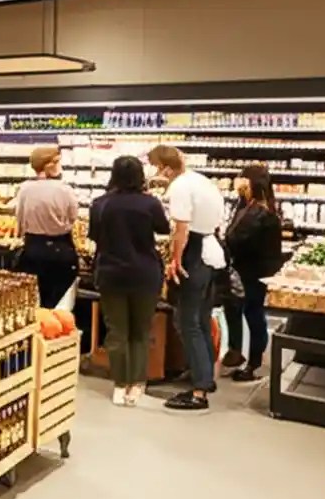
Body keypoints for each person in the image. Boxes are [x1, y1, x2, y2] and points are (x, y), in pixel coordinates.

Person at [149, 144, 227, 411]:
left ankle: (198, 392)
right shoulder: (202, 181)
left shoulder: (180, 187)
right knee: (202, 320)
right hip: (211, 250)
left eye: (157, 167)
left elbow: (181, 228)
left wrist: (175, 260)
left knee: (186, 322)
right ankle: (204, 375)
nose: (157, 173)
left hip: (194, 253)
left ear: (166, 168)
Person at [89, 156, 170, 406]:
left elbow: (94, 235)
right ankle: (137, 385)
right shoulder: (150, 204)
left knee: (116, 331)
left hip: (111, 272)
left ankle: (119, 384)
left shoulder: (100, 204)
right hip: (144, 273)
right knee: (140, 332)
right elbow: (164, 229)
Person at [223, 165, 284, 382]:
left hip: (254, 272)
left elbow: (238, 239)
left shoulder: (261, 212)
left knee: (252, 312)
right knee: (235, 308)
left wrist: (224, 242)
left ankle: (254, 363)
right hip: (245, 270)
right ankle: (236, 351)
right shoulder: (249, 206)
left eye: (242, 178)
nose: (238, 181)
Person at [14, 145, 80, 308]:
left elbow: (20, 219)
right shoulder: (65, 190)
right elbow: (73, 217)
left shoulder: (24, 189)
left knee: (35, 302)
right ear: (50, 165)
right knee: (60, 304)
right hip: (61, 249)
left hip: (33, 250)